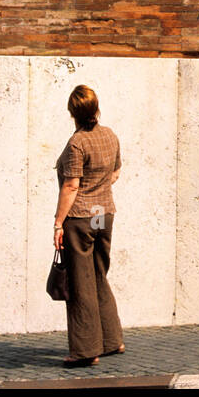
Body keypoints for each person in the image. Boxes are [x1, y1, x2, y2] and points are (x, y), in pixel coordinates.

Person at [53, 84, 124, 367]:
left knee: (81, 283)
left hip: (81, 217)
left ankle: (85, 351)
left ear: (73, 113)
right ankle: (111, 340)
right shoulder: (110, 135)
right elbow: (116, 171)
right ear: (96, 108)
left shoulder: (77, 143)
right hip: (103, 214)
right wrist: (99, 189)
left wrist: (58, 223)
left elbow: (71, 186)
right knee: (98, 275)